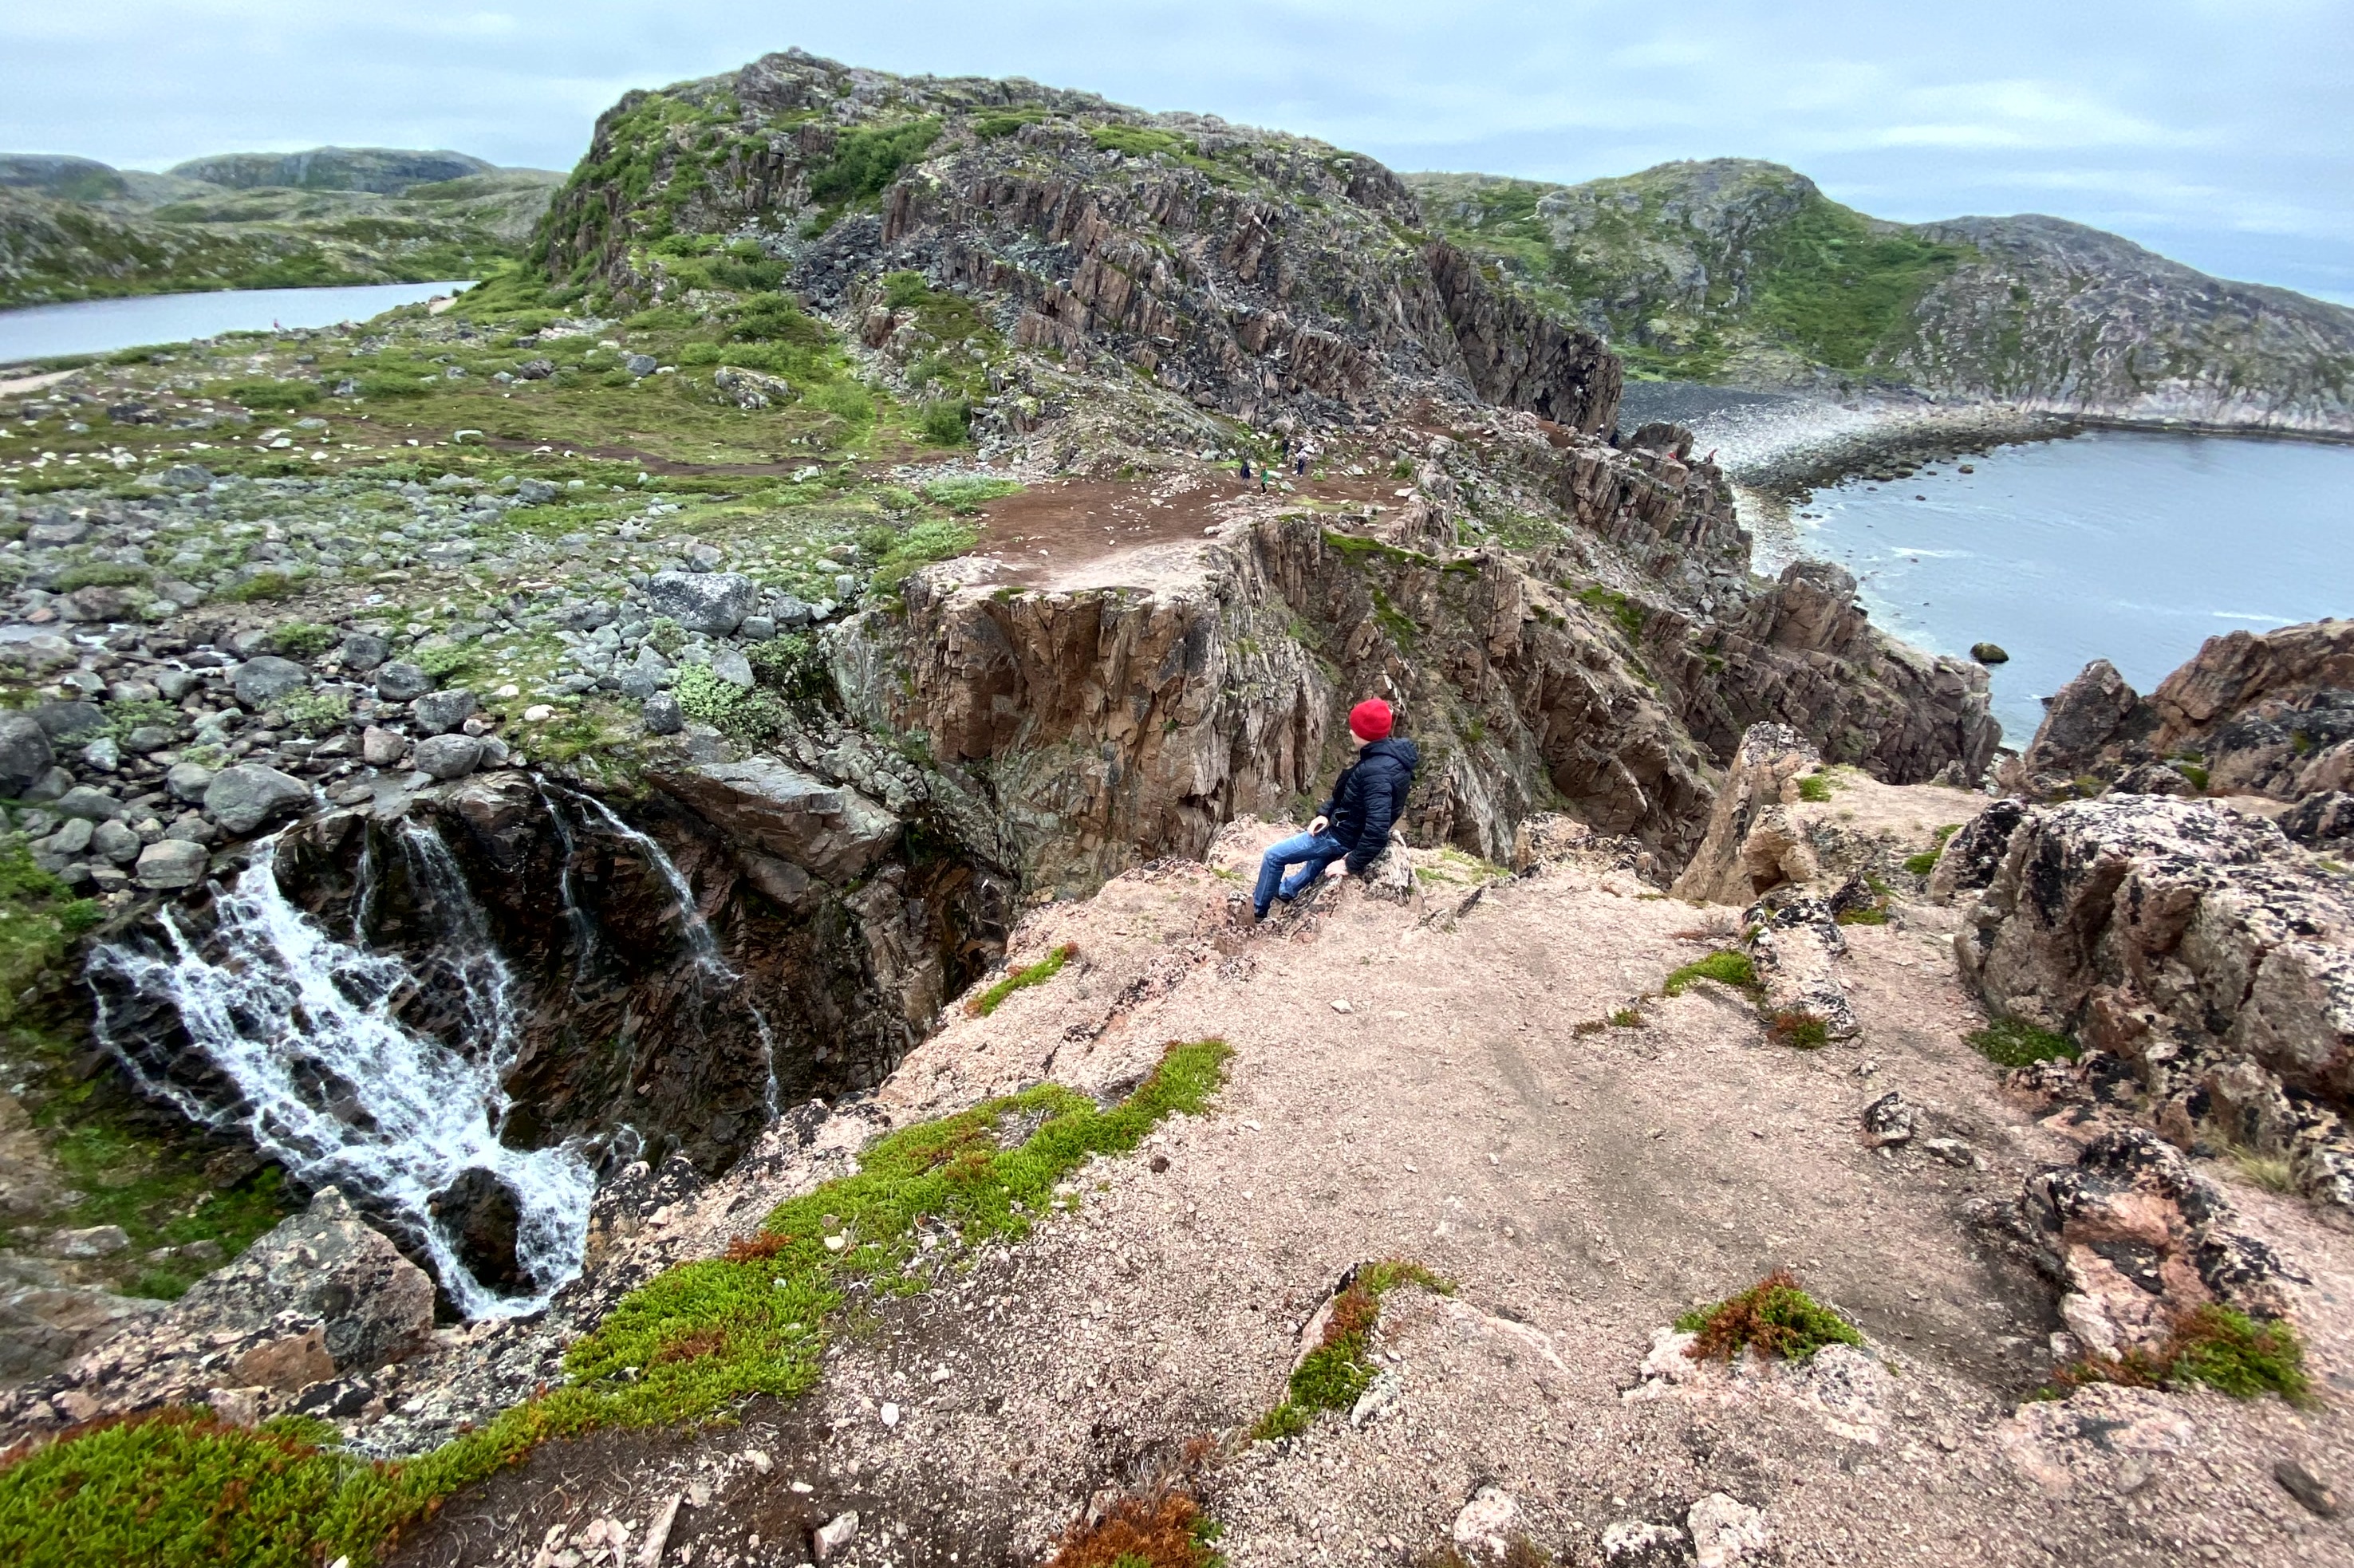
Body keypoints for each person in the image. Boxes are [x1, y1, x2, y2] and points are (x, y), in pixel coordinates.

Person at [1252, 699, 1420, 920]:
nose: (1350, 732)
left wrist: (1350, 863)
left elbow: (1377, 828)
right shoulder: (1388, 757)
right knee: (1317, 860)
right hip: (1348, 828)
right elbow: (1351, 796)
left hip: (1344, 837)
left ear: (1365, 735)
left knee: (1274, 856)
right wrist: (1326, 814)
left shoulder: (1375, 772)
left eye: (1355, 729)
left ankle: (1257, 911)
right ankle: (1288, 891)